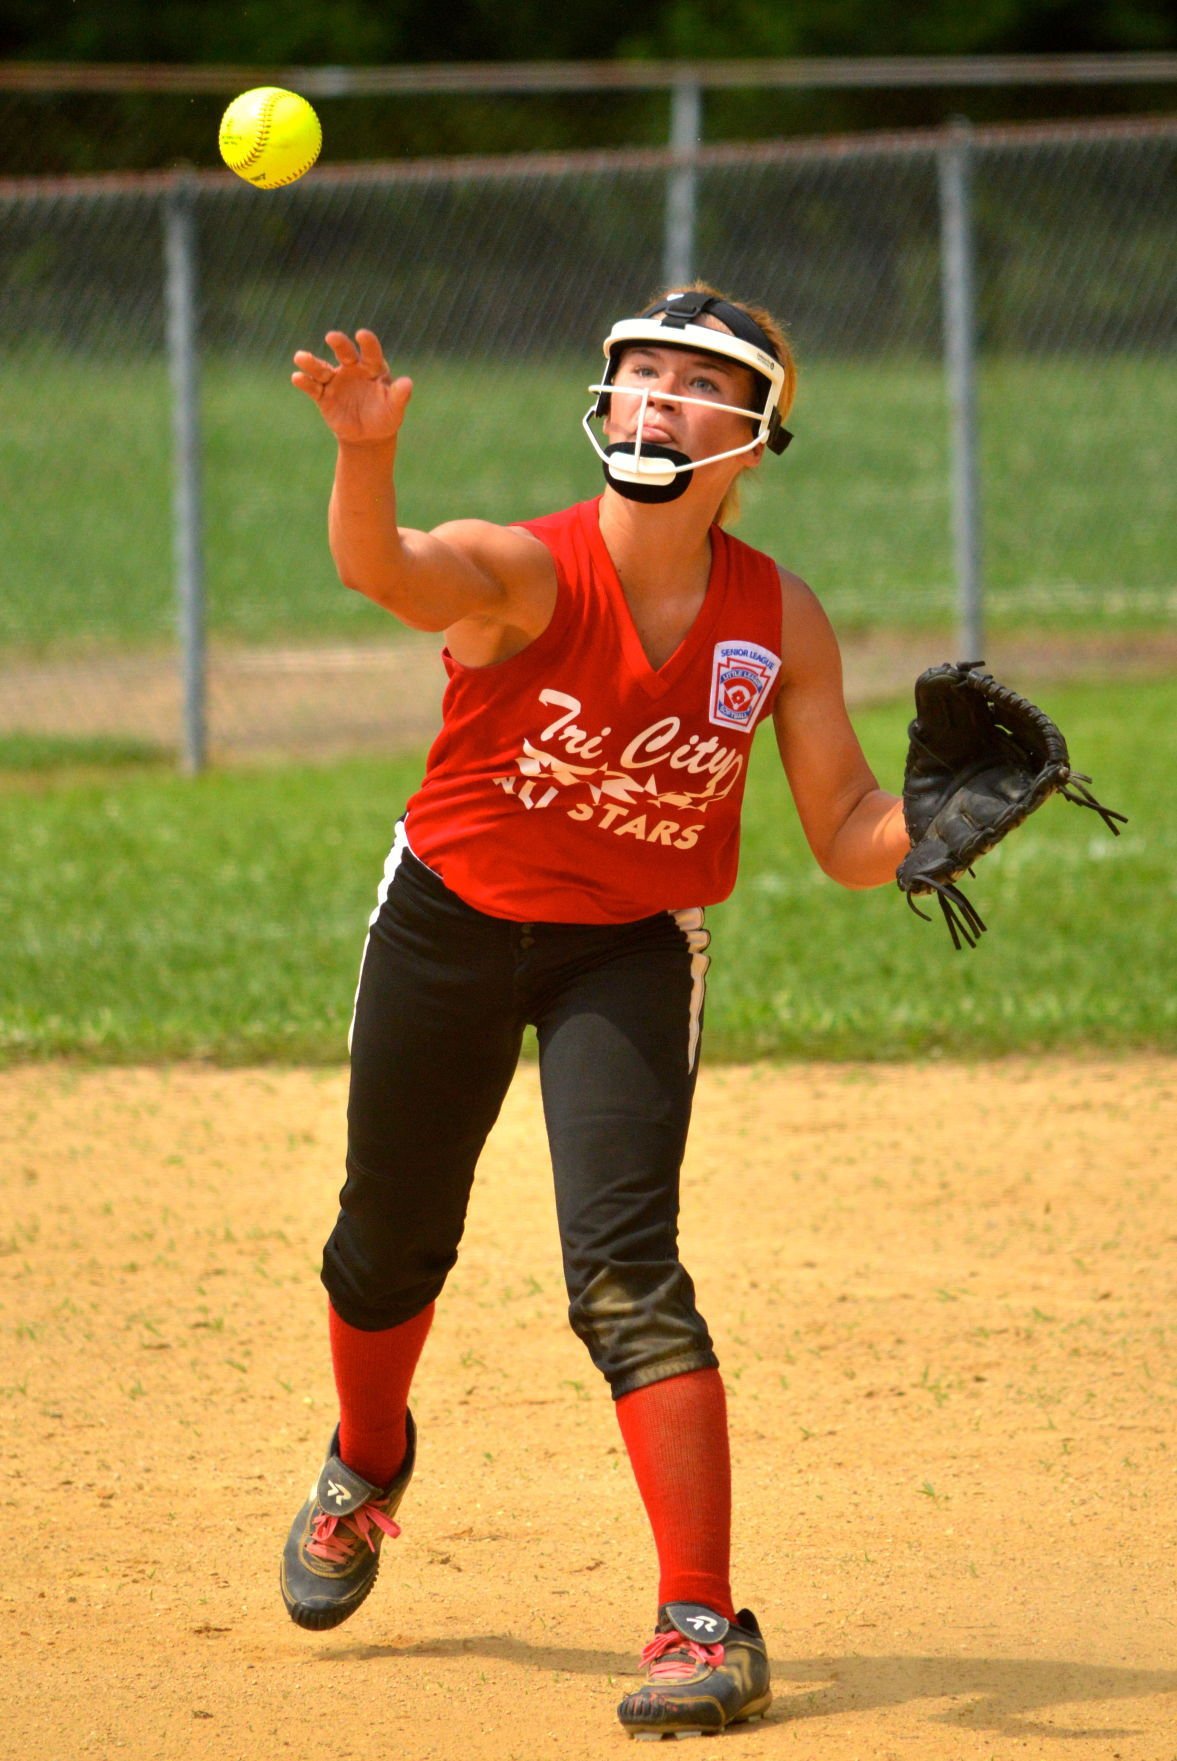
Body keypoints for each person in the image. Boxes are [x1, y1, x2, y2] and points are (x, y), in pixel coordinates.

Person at [279, 285, 911, 1739]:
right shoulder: (531, 570)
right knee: (387, 1236)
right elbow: (389, 568)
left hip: (627, 942)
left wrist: (934, 826)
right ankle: (366, 1463)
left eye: (698, 382)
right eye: (637, 372)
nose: (654, 400)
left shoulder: (776, 618)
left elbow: (848, 829)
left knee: (624, 1267)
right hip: (449, 918)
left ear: (752, 434)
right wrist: (364, 453)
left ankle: (701, 1619)